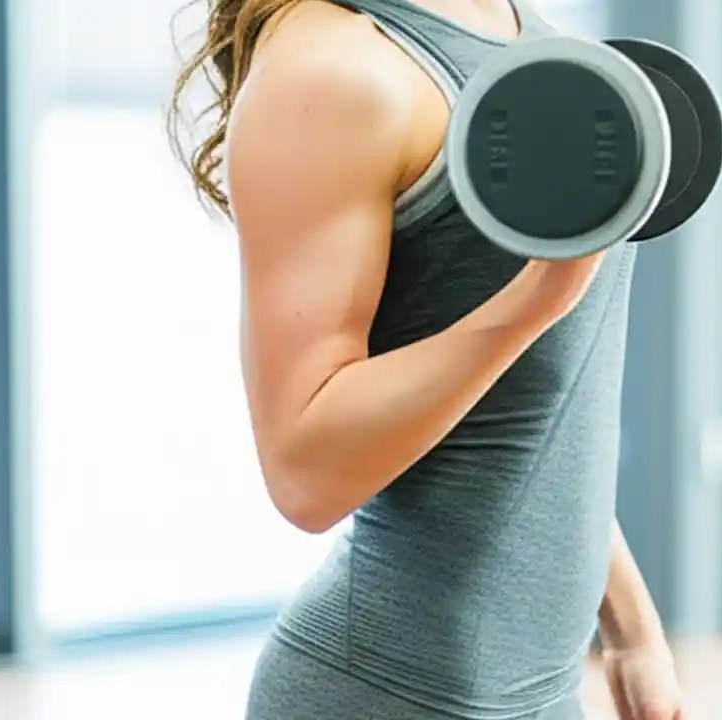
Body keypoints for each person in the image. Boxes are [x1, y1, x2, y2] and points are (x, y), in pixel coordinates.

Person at [169, 0, 685, 717]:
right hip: (389, 693)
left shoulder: (519, 30)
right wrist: (536, 298)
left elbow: (528, 421)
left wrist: (630, 627)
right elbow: (303, 468)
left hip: (544, 693)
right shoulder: (335, 70)